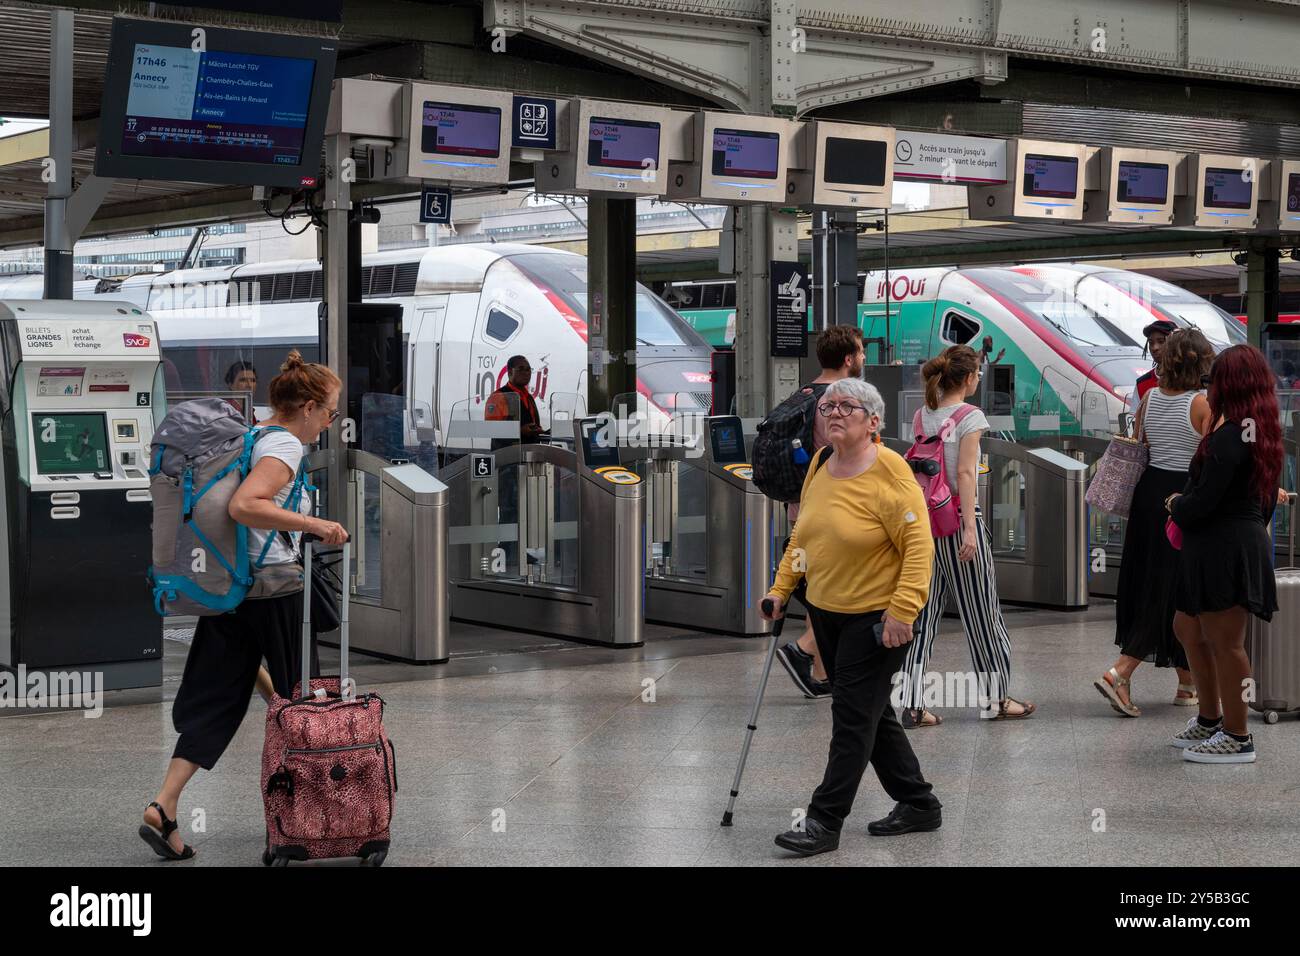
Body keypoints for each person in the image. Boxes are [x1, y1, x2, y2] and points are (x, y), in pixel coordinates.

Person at [138, 350, 349, 860]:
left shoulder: (252, 431)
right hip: (274, 590)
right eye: (329, 412)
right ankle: (307, 821)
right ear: (307, 406)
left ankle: (163, 806)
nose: (328, 424)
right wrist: (317, 526)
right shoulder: (283, 445)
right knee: (306, 704)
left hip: (231, 590)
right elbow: (245, 505)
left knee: (216, 699)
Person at [764, 378, 941, 857]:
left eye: (848, 406)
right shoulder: (822, 463)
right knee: (870, 713)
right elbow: (804, 536)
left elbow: (919, 549)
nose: (835, 412)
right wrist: (781, 589)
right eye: (829, 405)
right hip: (826, 612)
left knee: (850, 718)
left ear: (873, 421)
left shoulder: (892, 473)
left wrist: (902, 612)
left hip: (877, 619)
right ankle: (919, 803)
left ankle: (824, 821)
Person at [899, 345, 1035, 726]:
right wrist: (970, 529)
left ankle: (911, 702)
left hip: (925, 523)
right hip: (957, 521)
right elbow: (963, 475)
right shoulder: (970, 416)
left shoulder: (923, 414)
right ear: (970, 377)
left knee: (922, 614)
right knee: (982, 613)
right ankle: (997, 699)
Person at [1167, 344, 1283, 764]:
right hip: (1225, 544)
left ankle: (1238, 734)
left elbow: (1202, 502)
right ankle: (1210, 718)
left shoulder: (1232, 437)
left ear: (1228, 384)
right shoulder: (1256, 432)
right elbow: (1266, 500)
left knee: (1227, 642)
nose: (1208, 386)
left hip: (1224, 548)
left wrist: (1174, 504)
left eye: (1214, 379)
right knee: (1188, 627)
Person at [1094, 329, 1211, 716]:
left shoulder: (1148, 399)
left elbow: (1142, 443)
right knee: (1169, 588)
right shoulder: (1201, 404)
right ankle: (1120, 673)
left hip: (1148, 495)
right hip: (1181, 496)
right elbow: (1208, 459)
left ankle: (1186, 681)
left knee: (1154, 580)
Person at [775, 325, 865, 700]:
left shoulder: (804, 392)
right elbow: (850, 455)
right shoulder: (842, 399)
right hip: (835, 513)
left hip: (803, 510)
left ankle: (822, 673)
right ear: (847, 359)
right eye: (859, 352)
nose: (863, 358)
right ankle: (806, 650)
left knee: (818, 589)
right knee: (834, 591)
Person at [485, 355, 546, 449]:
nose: (526, 373)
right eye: (520, 369)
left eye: (528, 369)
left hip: (529, 455)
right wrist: (520, 430)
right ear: (509, 372)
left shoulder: (529, 397)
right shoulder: (498, 396)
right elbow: (491, 429)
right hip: (506, 457)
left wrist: (538, 430)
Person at [1132, 319, 1177, 415]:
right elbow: (1135, 421)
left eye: (1161, 341)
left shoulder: (1191, 380)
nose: (1154, 347)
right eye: (1151, 343)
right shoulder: (1142, 384)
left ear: (1176, 344)